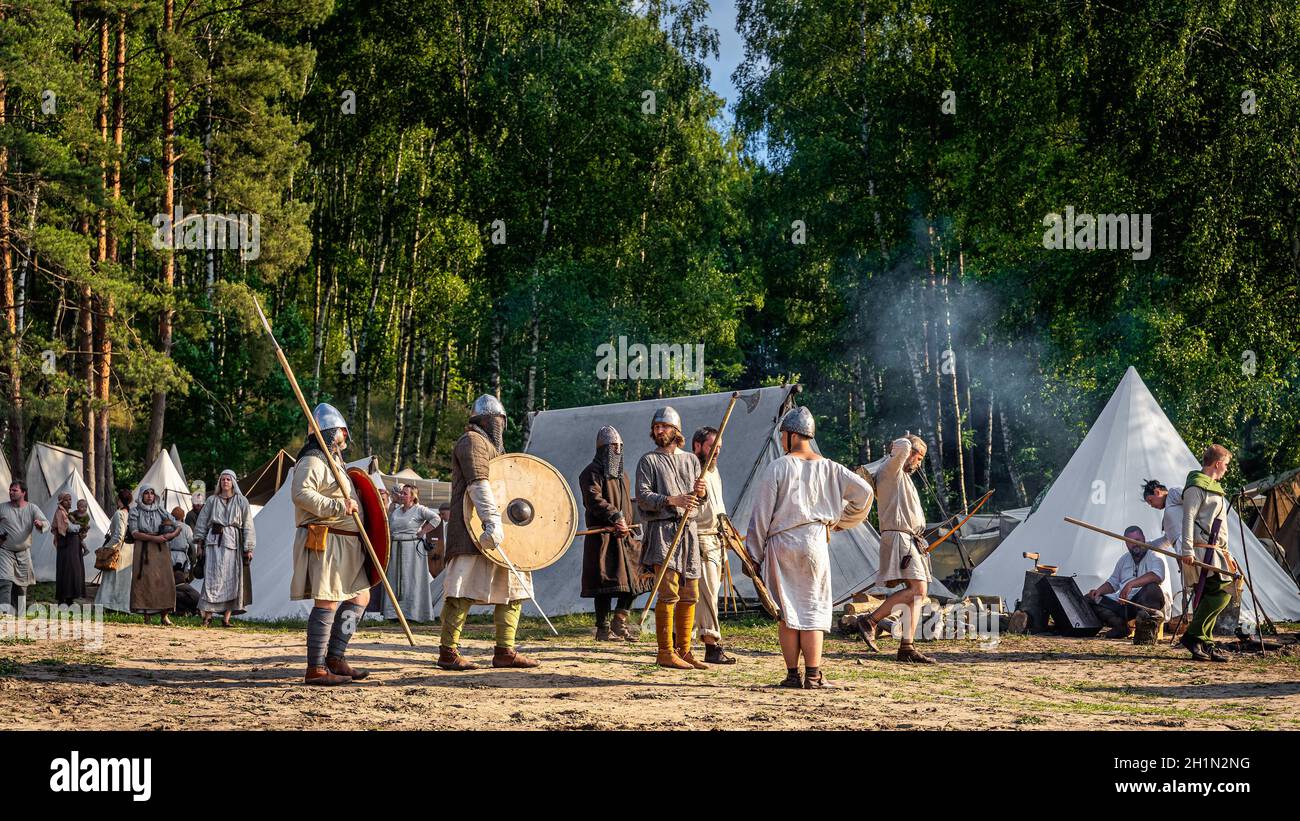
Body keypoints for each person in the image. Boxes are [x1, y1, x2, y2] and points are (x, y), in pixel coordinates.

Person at [747, 406, 873, 688]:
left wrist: (752, 556)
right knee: (813, 611)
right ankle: (813, 676)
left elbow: (761, 515)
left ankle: (793, 676)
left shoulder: (779, 467)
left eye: (783, 436)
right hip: (815, 542)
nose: (781, 441)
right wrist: (841, 522)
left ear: (792, 435)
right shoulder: (830, 467)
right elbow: (865, 493)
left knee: (789, 612)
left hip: (782, 543)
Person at [438, 394, 540, 670]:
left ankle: (505, 650)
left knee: (513, 589)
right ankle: (448, 652)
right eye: (499, 422)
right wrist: (491, 522)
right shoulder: (472, 442)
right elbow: (478, 484)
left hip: (504, 533)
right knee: (461, 591)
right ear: (493, 421)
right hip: (472, 530)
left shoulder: (495, 449)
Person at [290, 403, 371, 685]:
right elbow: (301, 494)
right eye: (341, 432)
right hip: (328, 540)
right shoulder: (312, 459)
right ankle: (316, 668)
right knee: (328, 599)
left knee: (360, 597)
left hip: (347, 544)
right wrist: (338, 505)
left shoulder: (333, 460)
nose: (344, 437)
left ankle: (335, 657)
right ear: (331, 431)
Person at [636, 406, 707, 670]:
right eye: (656, 427)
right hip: (662, 532)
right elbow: (642, 496)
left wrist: (701, 491)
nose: (659, 430)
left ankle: (684, 650)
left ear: (676, 430)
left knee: (691, 593)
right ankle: (665, 651)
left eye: (664, 426)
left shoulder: (691, 460)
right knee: (668, 593)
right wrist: (670, 500)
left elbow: (699, 499)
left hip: (688, 531)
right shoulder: (648, 461)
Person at [855, 434, 936, 663]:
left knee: (918, 595)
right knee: (918, 591)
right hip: (899, 537)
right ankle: (870, 620)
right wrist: (910, 442)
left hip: (909, 539)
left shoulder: (901, 476)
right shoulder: (890, 470)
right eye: (918, 458)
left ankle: (907, 647)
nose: (918, 464)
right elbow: (901, 446)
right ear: (908, 454)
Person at [579, 425, 646, 641]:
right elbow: (593, 500)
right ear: (603, 449)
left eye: (619, 447)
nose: (617, 451)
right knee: (605, 585)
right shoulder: (590, 473)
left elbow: (628, 504)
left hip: (625, 538)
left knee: (639, 577)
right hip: (603, 537)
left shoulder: (622, 476)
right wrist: (615, 517)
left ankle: (620, 620)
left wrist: (632, 520)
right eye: (613, 447)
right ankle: (603, 628)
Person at [1177, 444, 1238, 663]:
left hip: (1217, 551)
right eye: (1226, 465)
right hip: (1202, 551)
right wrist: (1187, 550)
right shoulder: (1196, 487)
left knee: (1221, 592)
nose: (1226, 470)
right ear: (1217, 463)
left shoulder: (1214, 488)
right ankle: (1194, 636)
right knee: (1219, 592)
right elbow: (1188, 518)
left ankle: (1205, 641)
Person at [691, 426, 735, 664]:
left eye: (719, 447)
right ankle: (712, 645)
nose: (716, 452)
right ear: (697, 446)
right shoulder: (691, 471)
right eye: (712, 447)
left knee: (710, 593)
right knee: (707, 594)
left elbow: (718, 507)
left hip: (717, 539)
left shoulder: (714, 472)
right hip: (700, 539)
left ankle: (682, 637)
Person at [194, 470, 255, 628]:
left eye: (228, 479)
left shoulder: (241, 501)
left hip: (233, 543)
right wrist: (199, 543)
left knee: (231, 579)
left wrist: (248, 547)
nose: (225, 482)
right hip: (214, 542)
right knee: (212, 578)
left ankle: (226, 618)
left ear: (233, 482)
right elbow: (202, 522)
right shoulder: (212, 500)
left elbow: (248, 525)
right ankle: (207, 617)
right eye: (223, 479)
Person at [1085, 525, 1168, 638]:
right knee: (1090, 599)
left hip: (1144, 603)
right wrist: (1099, 591)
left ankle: (1145, 630)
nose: (1134, 544)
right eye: (1130, 541)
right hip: (1124, 604)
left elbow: (1158, 576)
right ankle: (1121, 628)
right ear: (1125, 543)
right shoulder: (1124, 559)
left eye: (1137, 540)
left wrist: (1131, 584)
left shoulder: (1154, 554)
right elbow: (1113, 582)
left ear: (1143, 539)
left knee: (1152, 589)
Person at [386, 484, 440, 622]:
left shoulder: (419, 509)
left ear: (412, 496)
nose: (401, 495)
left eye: (405, 493)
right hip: (395, 547)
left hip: (412, 548)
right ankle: (393, 613)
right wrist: (392, 506)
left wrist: (423, 532)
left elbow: (436, 519)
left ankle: (413, 613)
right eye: (401, 493)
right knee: (394, 578)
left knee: (412, 580)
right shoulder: (396, 510)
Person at [128, 485, 181, 625]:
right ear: (141, 495)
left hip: (161, 549)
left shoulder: (160, 510)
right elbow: (134, 532)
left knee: (164, 580)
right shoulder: (135, 512)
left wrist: (171, 535)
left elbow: (177, 525)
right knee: (145, 581)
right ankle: (147, 616)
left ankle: (164, 615)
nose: (150, 496)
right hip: (143, 548)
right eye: (146, 493)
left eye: (152, 493)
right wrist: (154, 538)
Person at [0, 480, 49, 613]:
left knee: (22, 586)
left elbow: (46, 523)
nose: (11, 492)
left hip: (23, 553)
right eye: (10, 490)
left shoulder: (32, 508)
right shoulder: (2, 508)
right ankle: (4, 614)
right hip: (5, 551)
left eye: (14, 490)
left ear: (23, 492)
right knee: (5, 582)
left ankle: (19, 614)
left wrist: (40, 524)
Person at [94, 489, 134, 613]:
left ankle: (109, 605)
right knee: (124, 581)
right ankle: (123, 606)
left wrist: (108, 548)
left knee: (112, 578)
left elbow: (119, 535)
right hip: (129, 550)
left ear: (119, 500)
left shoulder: (119, 513)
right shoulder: (132, 513)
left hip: (119, 549)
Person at [52, 492, 85, 606]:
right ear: (61, 502)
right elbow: (69, 528)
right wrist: (80, 526)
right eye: (66, 500)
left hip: (72, 545)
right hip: (66, 545)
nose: (69, 502)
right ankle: (64, 598)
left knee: (72, 570)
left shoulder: (67, 513)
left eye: (70, 499)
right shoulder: (60, 513)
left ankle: (70, 597)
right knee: (67, 570)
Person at [168, 506, 195, 575]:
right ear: (183, 516)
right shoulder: (186, 528)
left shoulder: (168, 527)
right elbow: (192, 543)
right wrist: (194, 557)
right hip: (181, 557)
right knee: (179, 577)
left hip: (169, 556)